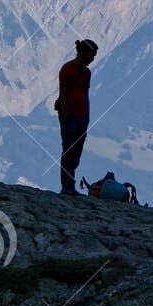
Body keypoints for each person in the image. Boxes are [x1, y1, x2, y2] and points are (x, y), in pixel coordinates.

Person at [54, 38, 97, 194]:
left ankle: (69, 183)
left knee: (76, 153)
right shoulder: (67, 69)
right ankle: (67, 187)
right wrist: (65, 115)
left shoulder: (87, 73)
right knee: (68, 151)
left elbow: (85, 94)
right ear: (83, 53)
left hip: (82, 117)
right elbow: (63, 93)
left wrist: (86, 116)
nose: (92, 60)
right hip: (69, 117)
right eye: (91, 56)